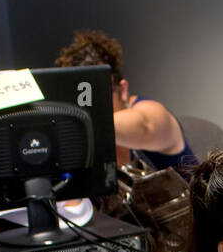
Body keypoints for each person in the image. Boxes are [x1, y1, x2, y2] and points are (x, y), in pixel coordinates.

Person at [55, 28, 197, 177]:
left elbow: (144, 126)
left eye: (100, 96)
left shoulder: (153, 113)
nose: (91, 107)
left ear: (122, 89)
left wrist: (71, 126)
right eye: (81, 100)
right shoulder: (85, 142)